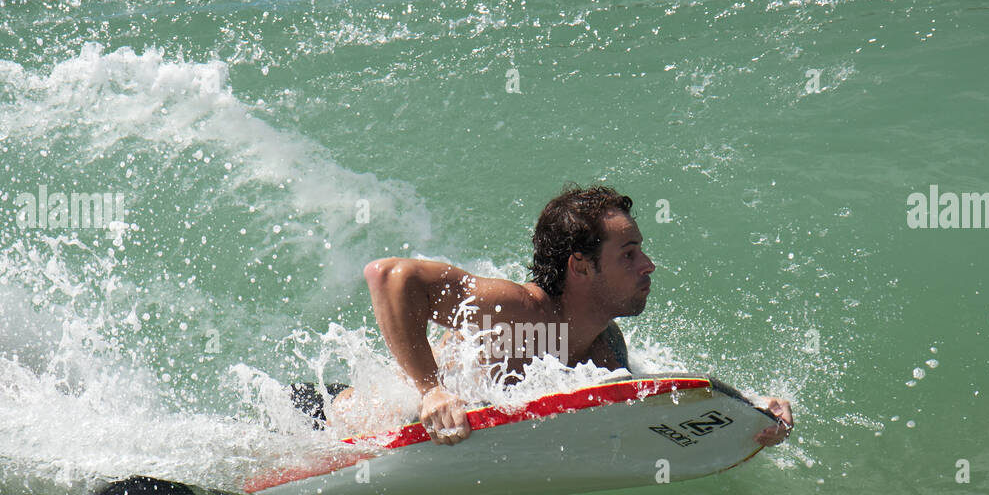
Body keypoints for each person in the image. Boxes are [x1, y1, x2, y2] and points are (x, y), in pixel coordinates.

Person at [326, 184, 794, 446]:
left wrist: (750, 416)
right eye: (629, 254)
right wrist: (431, 393)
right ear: (580, 265)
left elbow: (646, 412)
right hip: (328, 422)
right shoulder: (512, 309)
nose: (648, 266)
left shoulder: (606, 349)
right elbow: (388, 276)